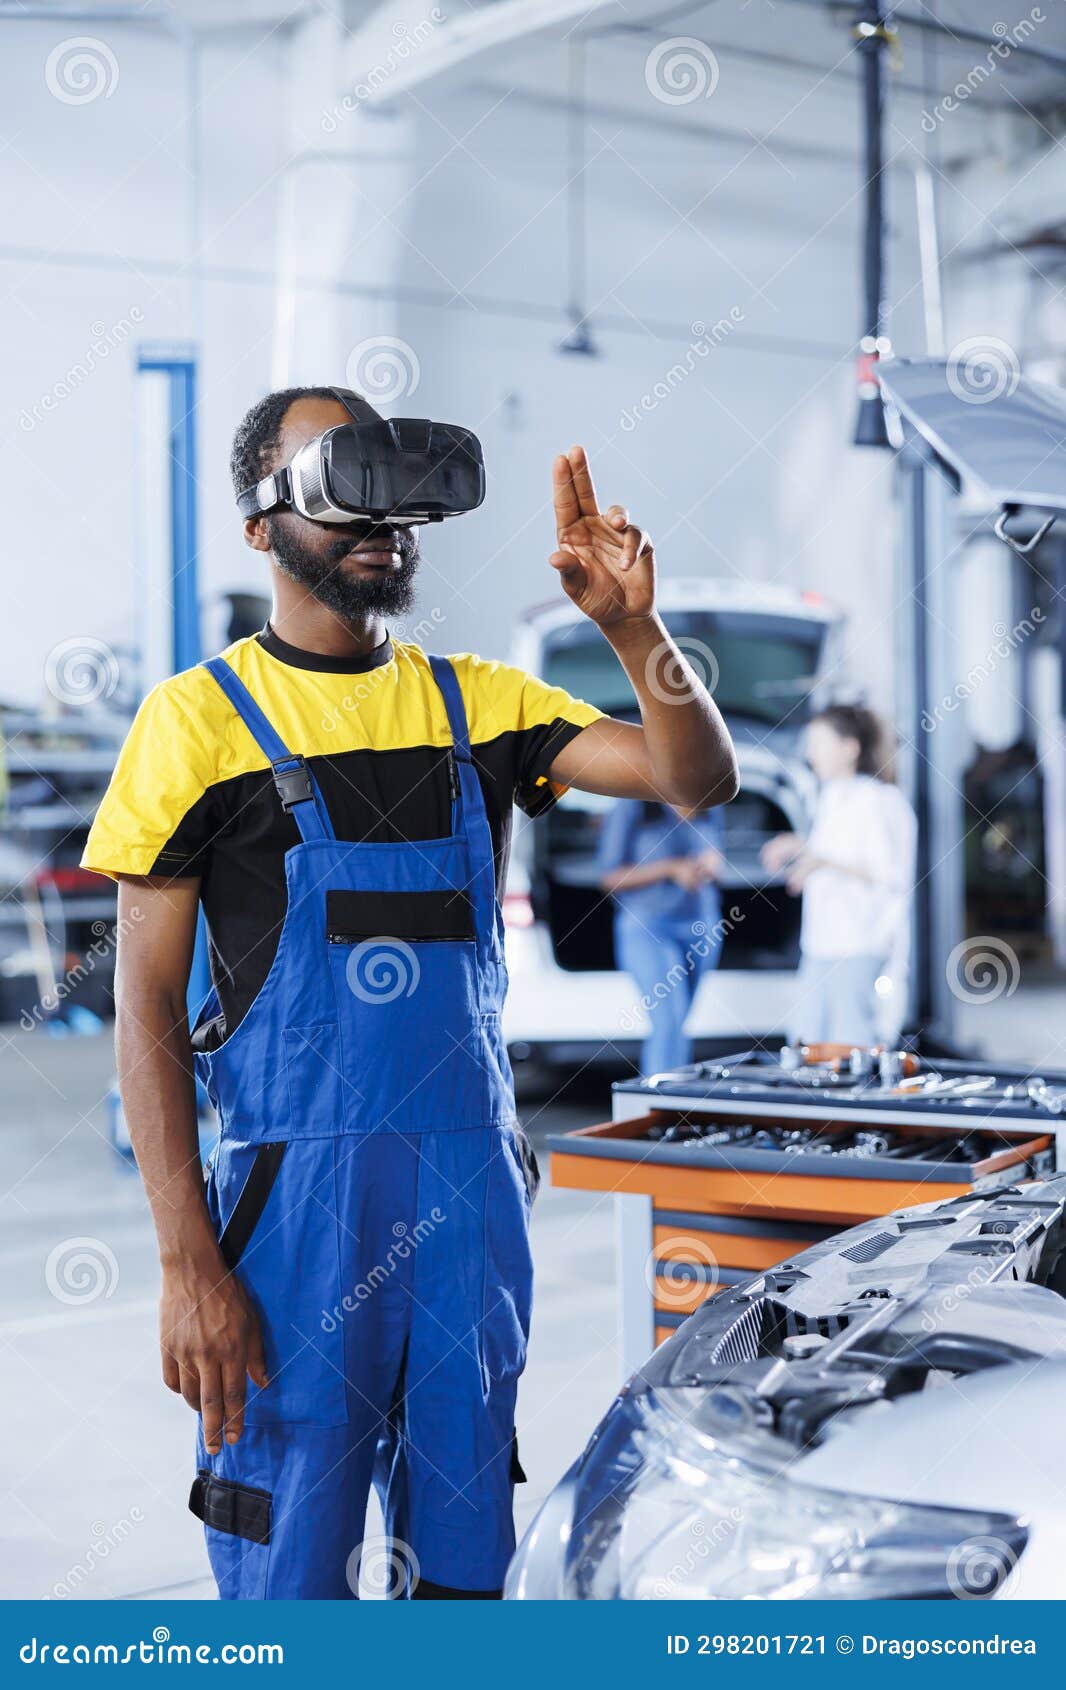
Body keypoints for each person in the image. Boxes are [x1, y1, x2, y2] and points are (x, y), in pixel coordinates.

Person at [83, 385, 738, 1601]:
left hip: (468, 1199)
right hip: (293, 1221)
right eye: (340, 486)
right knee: (293, 1566)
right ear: (261, 524)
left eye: (389, 484)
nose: (378, 518)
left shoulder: (477, 702)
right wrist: (186, 1267)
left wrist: (634, 629)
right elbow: (146, 1013)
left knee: (464, 1561)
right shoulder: (192, 724)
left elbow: (693, 778)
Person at [762, 703, 916, 1049]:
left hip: (860, 944)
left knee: (851, 1047)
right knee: (806, 1044)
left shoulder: (880, 800)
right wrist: (802, 853)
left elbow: (888, 874)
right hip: (821, 944)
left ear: (850, 748)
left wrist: (818, 860)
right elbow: (834, 855)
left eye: (819, 743)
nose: (810, 754)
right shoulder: (831, 796)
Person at [598, 799, 724, 1074]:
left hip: (701, 927)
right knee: (668, 1021)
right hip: (648, 928)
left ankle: (674, 1095)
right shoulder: (632, 805)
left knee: (679, 1025)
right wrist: (670, 868)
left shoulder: (710, 801)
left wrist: (712, 863)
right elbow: (609, 877)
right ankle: (660, 1097)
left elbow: (717, 853)